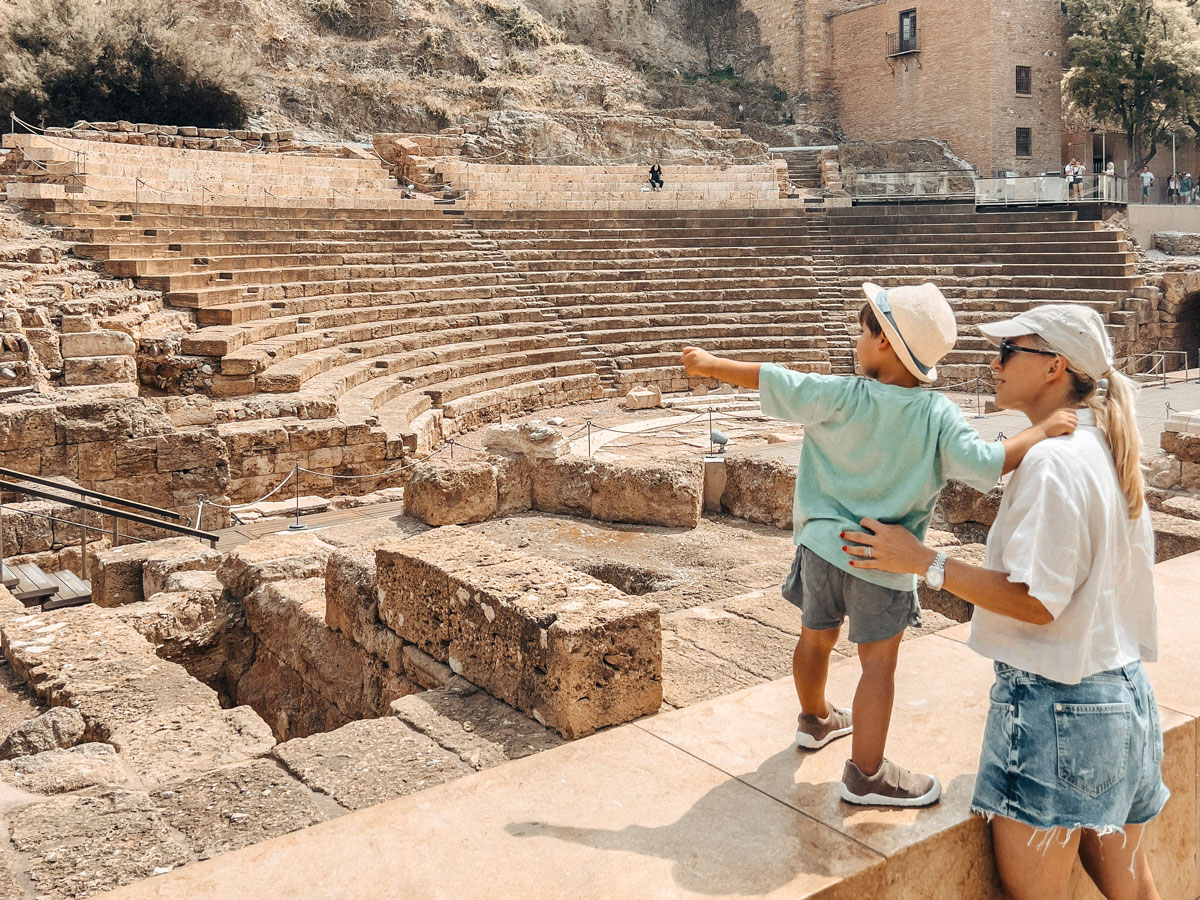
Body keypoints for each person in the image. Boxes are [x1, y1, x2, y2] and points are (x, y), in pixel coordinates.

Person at [679, 283, 1074, 807]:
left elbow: (770, 377)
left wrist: (709, 364)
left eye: (863, 329)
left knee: (814, 638)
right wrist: (1041, 431)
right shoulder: (938, 416)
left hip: (820, 547)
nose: (855, 338)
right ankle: (866, 774)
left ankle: (815, 719)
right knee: (878, 666)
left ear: (885, 341)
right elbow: (984, 465)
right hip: (880, 559)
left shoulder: (839, 393)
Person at [840, 304, 1166, 900]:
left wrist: (924, 562)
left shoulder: (1053, 462)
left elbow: (1039, 602)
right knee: (1136, 892)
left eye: (1008, 352)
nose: (993, 364)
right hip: (1126, 700)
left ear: (1054, 367)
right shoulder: (1107, 447)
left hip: (1058, 707)